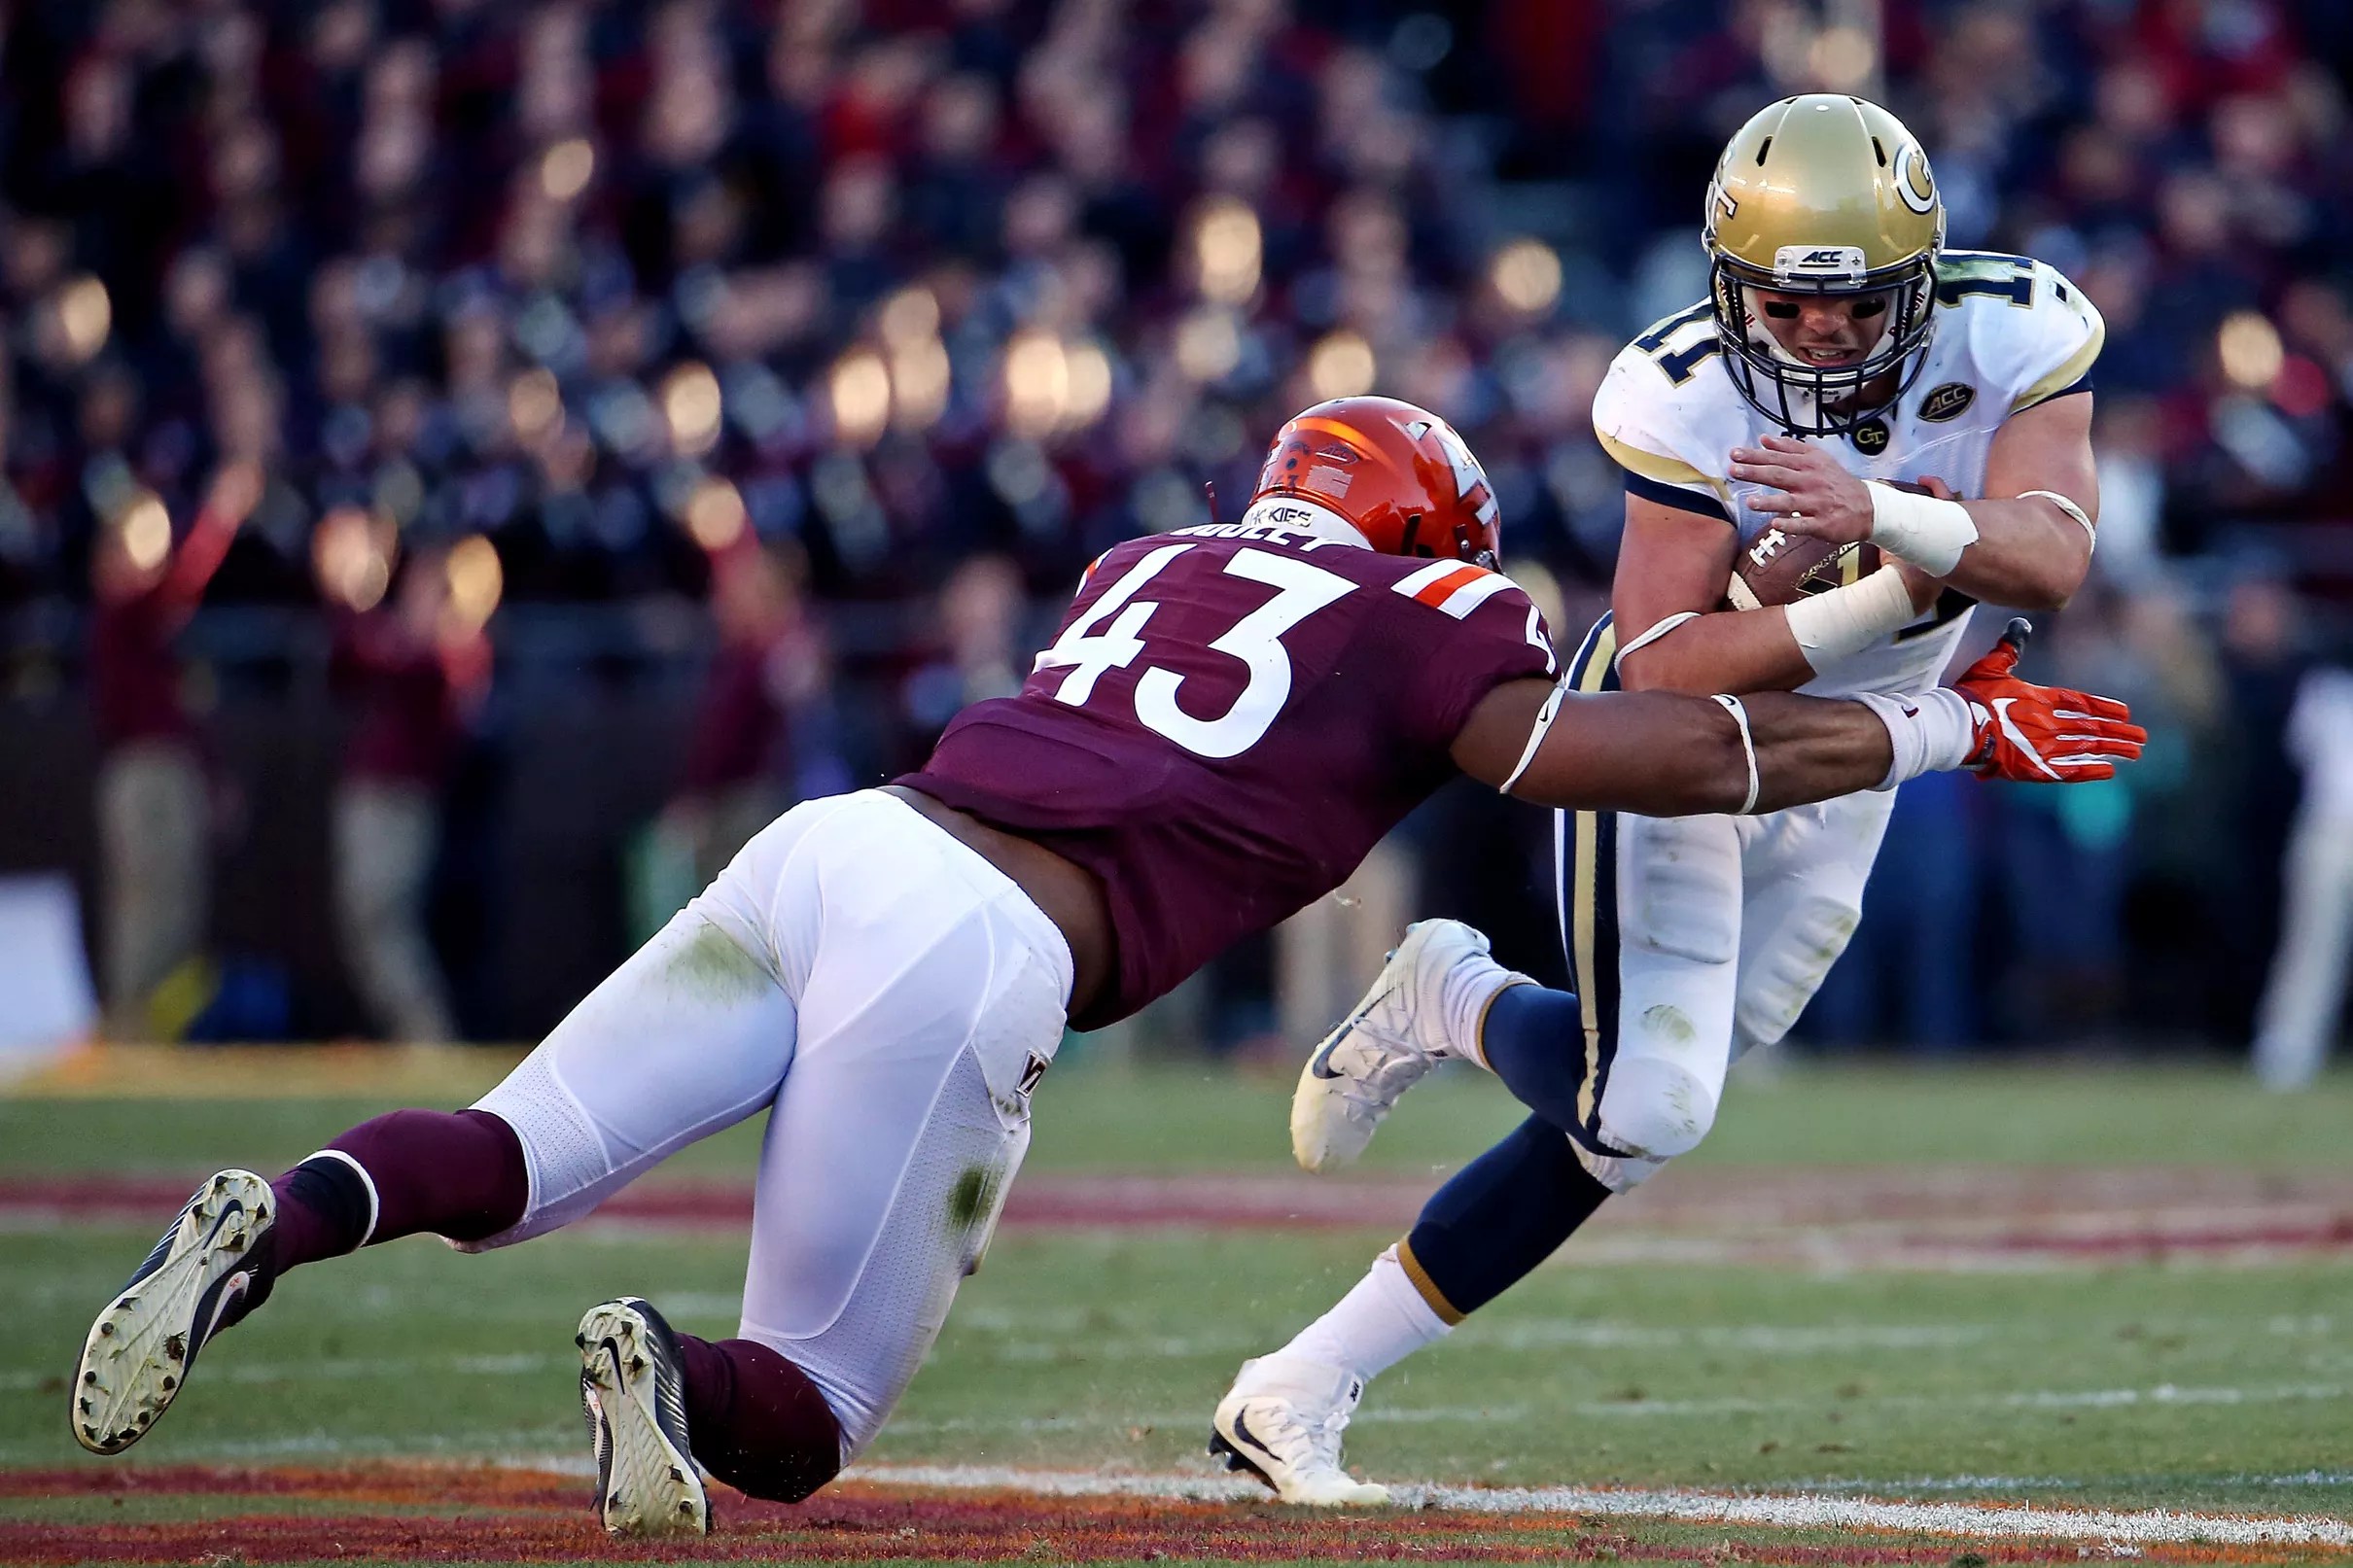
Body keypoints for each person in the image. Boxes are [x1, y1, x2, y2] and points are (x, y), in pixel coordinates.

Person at [69, 397, 2138, 1535]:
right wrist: (1953, 723)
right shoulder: (1438, 618)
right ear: (1434, 528)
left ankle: (280, 1223)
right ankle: (664, 1371)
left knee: (512, 1143)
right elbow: (1651, 752)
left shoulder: (1145, 556)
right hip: (984, 944)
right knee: (802, 1415)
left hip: (842, 840)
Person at [1227, 96, 2114, 1504]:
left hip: (1861, 743)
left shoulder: (2016, 325)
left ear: (1924, 276)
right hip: (1687, 741)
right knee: (1644, 1107)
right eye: (1787, 302)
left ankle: (1294, 1384)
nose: (1819, 335)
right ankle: (1452, 992)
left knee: (1642, 1118)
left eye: (1853, 303)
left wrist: (1873, 517)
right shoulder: (1681, 386)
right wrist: (1892, 587)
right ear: (1730, 282)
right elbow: (1665, 658)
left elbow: (2055, 557)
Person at [89, 463, 260, 1037]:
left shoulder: (157, 632)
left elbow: (187, 720)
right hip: (139, 774)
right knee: (144, 908)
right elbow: (177, 586)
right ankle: (128, 1029)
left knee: (182, 907)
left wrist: (213, 779)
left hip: (174, 771)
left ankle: (156, 1031)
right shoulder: (122, 608)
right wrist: (220, 516)